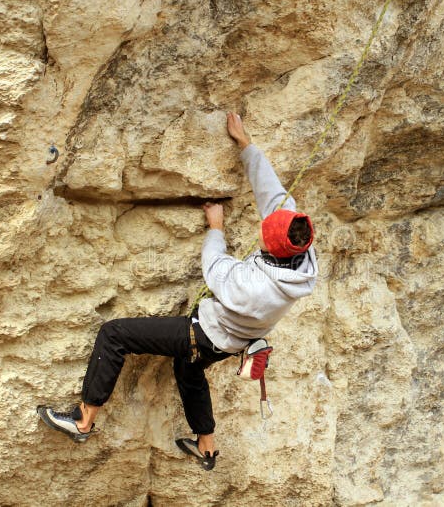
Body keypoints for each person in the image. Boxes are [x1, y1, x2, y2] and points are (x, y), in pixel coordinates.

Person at [37, 111, 318, 470]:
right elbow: (273, 193)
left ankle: (82, 419)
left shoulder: (253, 287)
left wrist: (215, 226)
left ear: (272, 242)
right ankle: (206, 446)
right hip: (233, 343)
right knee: (190, 370)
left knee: (114, 335)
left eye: (266, 229)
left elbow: (215, 266)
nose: (266, 224)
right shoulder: (301, 248)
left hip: (202, 334)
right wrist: (245, 144)